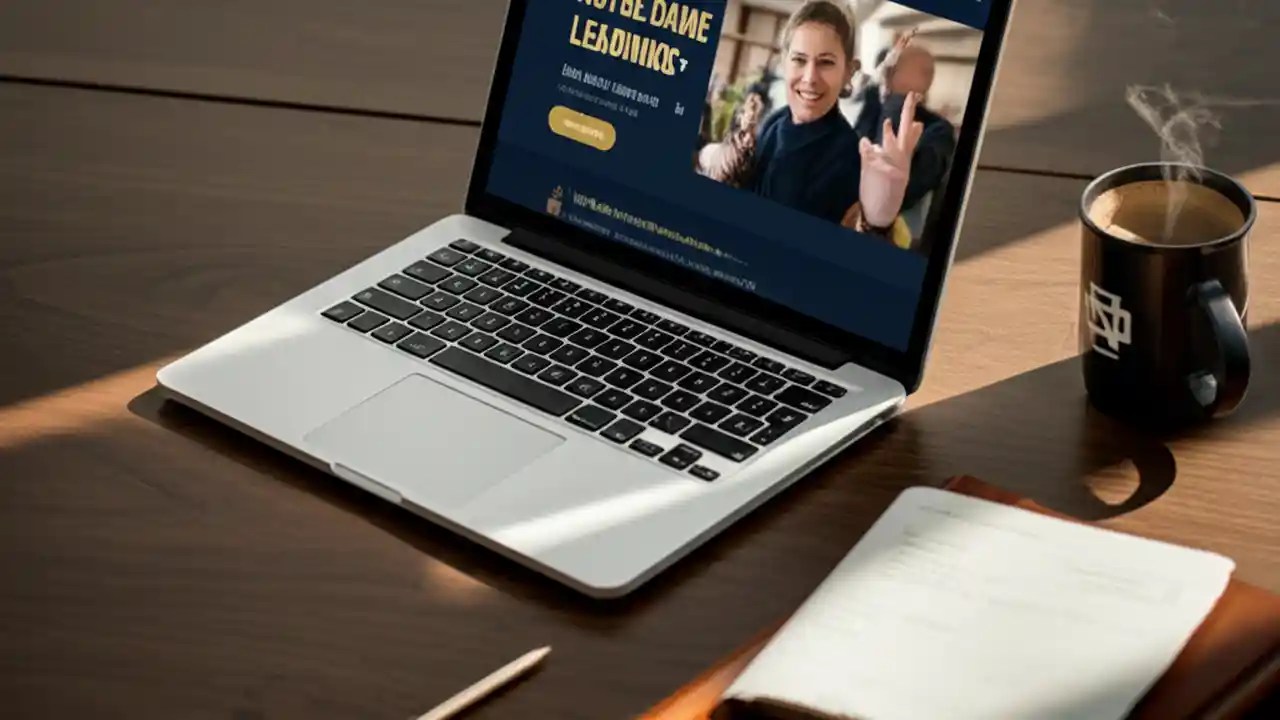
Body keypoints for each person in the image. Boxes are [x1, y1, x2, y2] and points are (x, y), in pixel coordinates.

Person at [748, 0, 922, 240]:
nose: (810, 77)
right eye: (799, 59)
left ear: (849, 72)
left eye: (826, 62)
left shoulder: (849, 157)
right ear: (784, 62)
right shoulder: (772, 123)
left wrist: (876, 224)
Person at [854, 39, 956, 216]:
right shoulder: (875, 105)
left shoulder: (939, 131)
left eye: (893, 68)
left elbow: (890, 194)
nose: (886, 74)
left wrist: (901, 100)